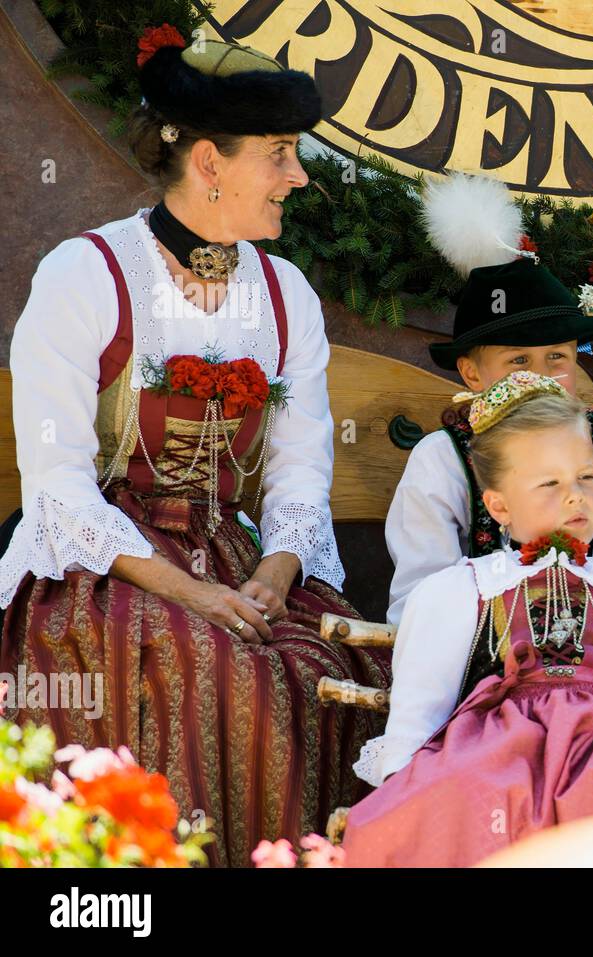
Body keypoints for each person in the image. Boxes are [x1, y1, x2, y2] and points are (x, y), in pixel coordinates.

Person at [0, 27, 389, 866]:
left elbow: (298, 469)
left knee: (333, 662)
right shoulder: (89, 274)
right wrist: (191, 592)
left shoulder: (285, 296)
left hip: (228, 546)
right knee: (196, 660)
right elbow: (57, 483)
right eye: (281, 154)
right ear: (210, 161)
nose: (299, 175)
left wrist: (276, 572)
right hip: (102, 560)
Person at [344, 373, 593, 866]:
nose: (575, 496)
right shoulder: (459, 593)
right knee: (464, 796)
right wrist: (404, 798)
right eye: (550, 483)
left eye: (587, 477)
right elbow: (419, 717)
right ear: (499, 505)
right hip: (491, 766)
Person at [383, 174, 593, 624]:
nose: (540, 376)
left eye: (557, 356)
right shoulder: (442, 457)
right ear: (471, 372)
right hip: (477, 649)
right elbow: (421, 593)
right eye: (517, 360)